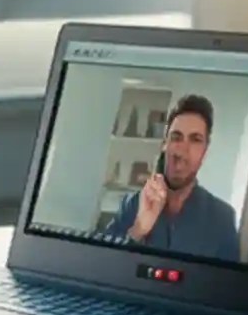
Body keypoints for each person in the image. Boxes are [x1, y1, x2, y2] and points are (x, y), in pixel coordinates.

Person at [102, 95, 240, 261]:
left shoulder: (222, 219)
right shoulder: (131, 205)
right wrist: (138, 230)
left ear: (205, 150)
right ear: (164, 144)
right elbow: (103, 267)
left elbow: (226, 285)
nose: (181, 151)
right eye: (176, 137)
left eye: (195, 140)